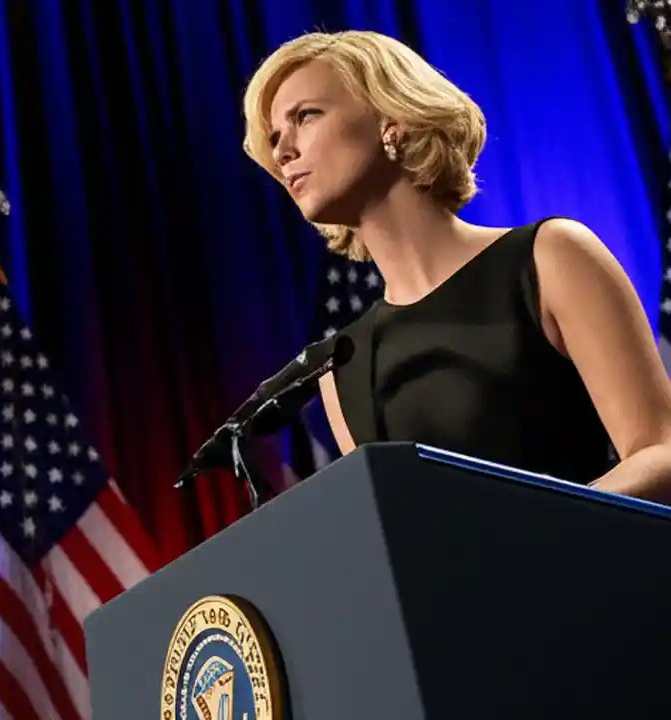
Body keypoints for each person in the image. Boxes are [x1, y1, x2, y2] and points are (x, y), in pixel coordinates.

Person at [240, 30, 671, 502]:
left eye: (305, 116)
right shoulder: (343, 367)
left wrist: (530, 535)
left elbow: (660, 450)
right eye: (275, 138)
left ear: (393, 119)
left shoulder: (550, 257)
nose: (283, 153)